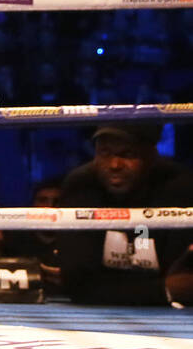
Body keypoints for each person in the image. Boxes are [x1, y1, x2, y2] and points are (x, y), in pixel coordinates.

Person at [56, 124, 193, 306]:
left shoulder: (180, 188)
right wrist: (163, 289)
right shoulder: (80, 186)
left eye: (128, 155)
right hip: (97, 314)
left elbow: (184, 282)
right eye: (105, 153)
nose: (114, 165)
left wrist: (169, 288)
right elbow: (79, 286)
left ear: (151, 156)